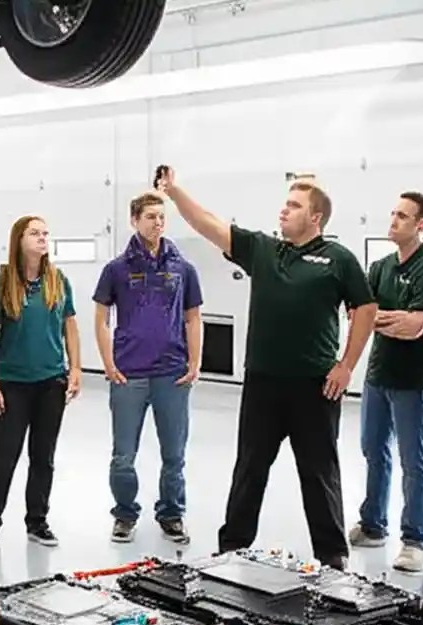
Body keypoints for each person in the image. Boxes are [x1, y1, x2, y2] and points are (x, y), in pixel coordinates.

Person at [157, 168, 377, 570]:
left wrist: (346, 366)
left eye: (294, 206)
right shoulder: (264, 250)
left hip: (315, 386)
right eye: (285, 203)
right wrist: (173, 192)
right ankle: (233, 548)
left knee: (320, 472)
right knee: (250, 467)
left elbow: (366, 308)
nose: (284, 210)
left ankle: (332, 556)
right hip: (263, 383)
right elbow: (208, 224)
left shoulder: (338, 259)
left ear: (316, 218)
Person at [92, 191, 202, 545]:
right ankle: (124, 514)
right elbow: (100, 318)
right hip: (129, 374)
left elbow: (193, 317)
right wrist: (108, 363)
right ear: (134, 220)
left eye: (161, 216)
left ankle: (172, 513)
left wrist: (195, 362)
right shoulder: (116, 269)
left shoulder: (182, 268)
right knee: (123, 455)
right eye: (150, 216)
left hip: (172, 372)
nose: (158, 222)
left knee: (175, 454)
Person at [349, 192, 423, 574]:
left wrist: (379, 318)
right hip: (378, 376)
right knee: (373, 450)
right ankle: (373, 525)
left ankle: (415, 540)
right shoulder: (380, 267)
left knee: (413, 460)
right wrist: (389, 317)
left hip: (412, 380)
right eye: (392, 213)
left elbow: (415, 327)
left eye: (402, 216)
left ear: (421, 225)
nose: (393, 220)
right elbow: (357, 315)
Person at [0, 215, 82, 551]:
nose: (42, 238)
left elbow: (70, 328)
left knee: (43, 456)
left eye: (45, 233)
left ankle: (38, 521)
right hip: (12, 384)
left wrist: (75, 369)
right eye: (34, 233)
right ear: (18, 239)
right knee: (5, 455)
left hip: (51, 382)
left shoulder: (58, 280)